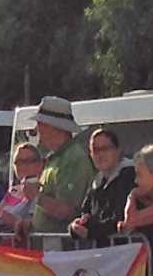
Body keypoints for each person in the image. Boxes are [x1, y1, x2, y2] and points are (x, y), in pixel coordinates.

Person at [31, 99, 93, 237]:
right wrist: (29, 225)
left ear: (55, 127)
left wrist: (36, 196)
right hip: (54, 248)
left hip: (65, 248)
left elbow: (67, 211)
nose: (36, 129)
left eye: (40, 123)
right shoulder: (56, 158)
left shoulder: (73, 158)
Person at [78, 126, 136, 246]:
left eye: (105, 149)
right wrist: (76, 226)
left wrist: (90, 231)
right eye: (95, 150)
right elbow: (85, 211)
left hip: (128, 252)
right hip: (103, 253)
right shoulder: (98, 180)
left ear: (118, 150)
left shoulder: (129, 176)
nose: (100, 155)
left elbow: (119, 218)